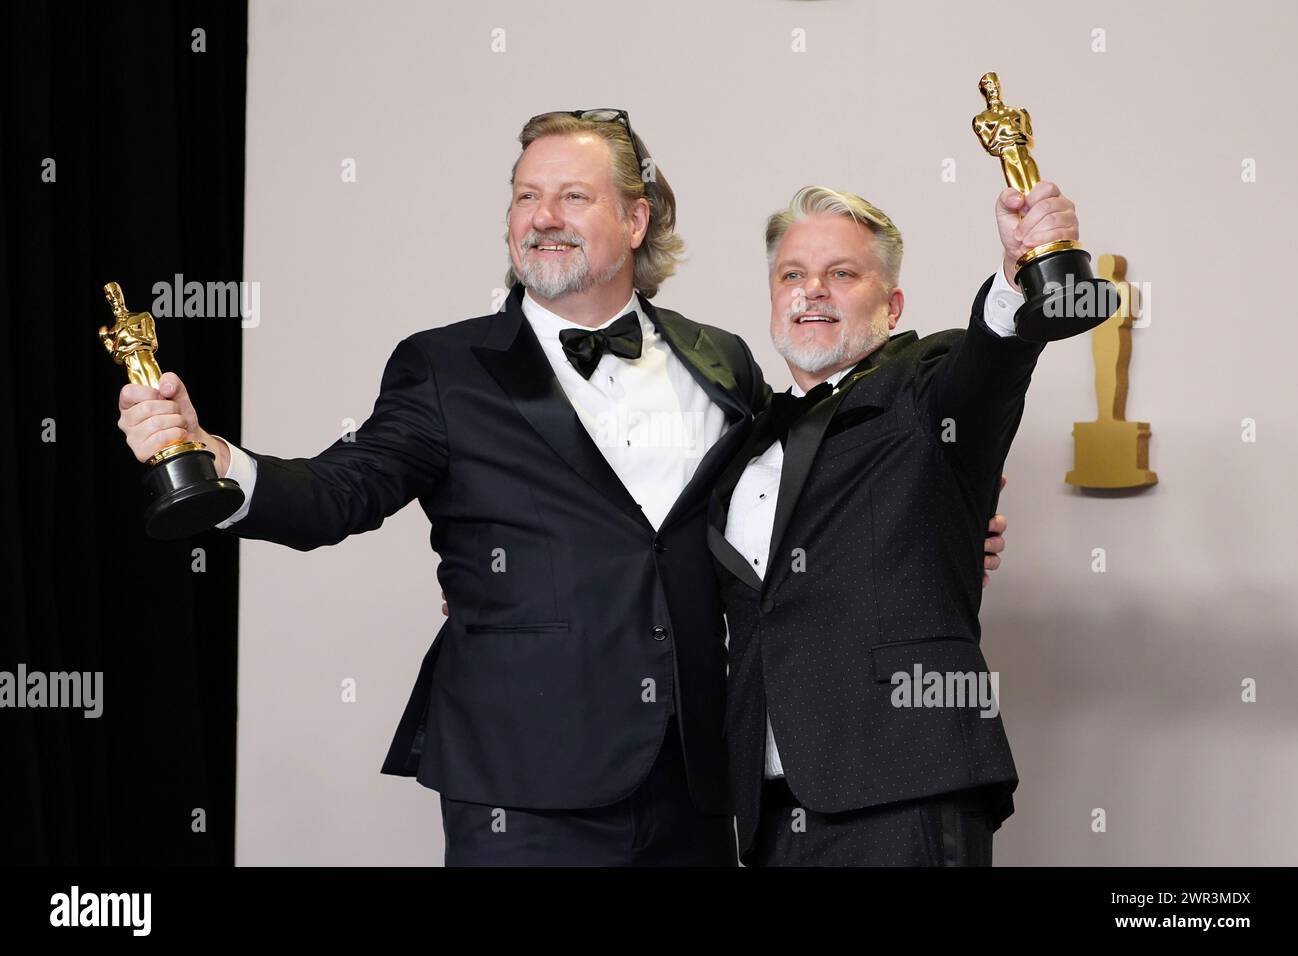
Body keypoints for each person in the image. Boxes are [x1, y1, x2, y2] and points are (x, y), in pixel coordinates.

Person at [115, 110, 1007, 866]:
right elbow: (339, 493)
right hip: (523, 782)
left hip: (699, 779)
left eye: (573, 196)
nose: (543, 216)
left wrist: (943, 524)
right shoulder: (446, 366)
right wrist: (223, 463)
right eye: (525, 196)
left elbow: (801, 487)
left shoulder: (722, 360)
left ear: (635, 217)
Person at [710, 180, 1073, 865]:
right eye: (793, 274)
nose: (811, 290)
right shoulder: (740, 446)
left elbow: (987, 368)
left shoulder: (922, 386)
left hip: (903, 791)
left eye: (841, 273)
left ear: (892, 303)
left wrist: (1017, 274)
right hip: (767, 815)